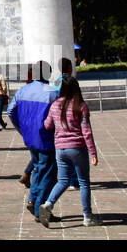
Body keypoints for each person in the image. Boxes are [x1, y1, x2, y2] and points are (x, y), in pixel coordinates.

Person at [37, 78, 100, 227]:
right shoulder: (81, 106)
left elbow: (47, 125)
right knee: (84, 182)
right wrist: (93, 153)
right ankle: (87, 216)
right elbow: (87, 132)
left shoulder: (55, 105)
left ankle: (48, 204)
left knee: (63, 180)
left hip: (60, 149)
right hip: (77, 148)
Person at [8, 62, 59, 222]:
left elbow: (10, 111)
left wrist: (21, 128)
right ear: (48, 74)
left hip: (29, 137)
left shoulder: (23, 91)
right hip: (47, 138)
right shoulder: (53, 93)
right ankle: (40, 210)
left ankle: (32, 199)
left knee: (38, 169)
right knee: (48, 175)